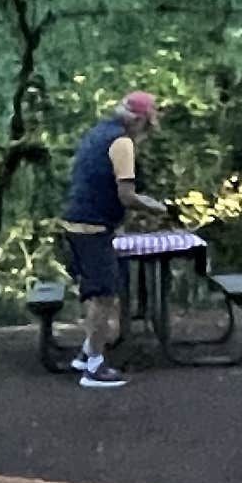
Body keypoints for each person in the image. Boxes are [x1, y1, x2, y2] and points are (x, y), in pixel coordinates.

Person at [59, 91, 169, 390]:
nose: (146, 132)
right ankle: (94, 367)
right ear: (136, 120)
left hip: (76, 221)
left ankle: (85, 354)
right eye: (146, 125)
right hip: (92, 227)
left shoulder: (98, 132)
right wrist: (155, 207)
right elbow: (127, 195)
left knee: (100, 292)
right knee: (104, 296)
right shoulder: (121, 143)